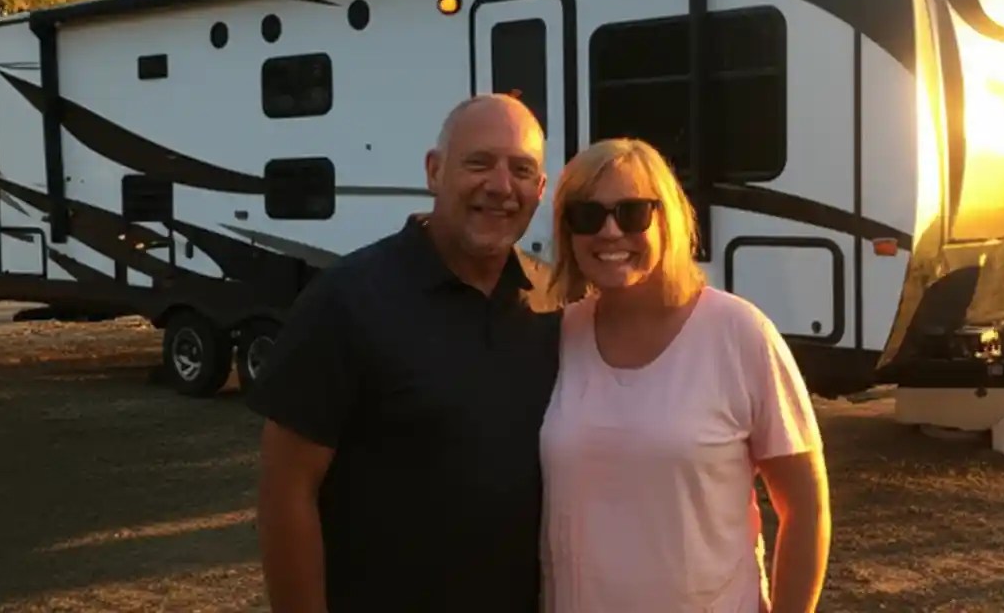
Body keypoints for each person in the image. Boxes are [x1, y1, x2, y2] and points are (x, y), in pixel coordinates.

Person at [248, 93, 561, 613]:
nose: (501, 187)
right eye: (478, 163)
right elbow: (286, 491)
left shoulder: (553, 301)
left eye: (522, 170)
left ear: (540, 189)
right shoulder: (347, 300)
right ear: (435, 172)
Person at [539, 137, 831, 613]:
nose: (610, 232)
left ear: (667, 220)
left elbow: (806, 508)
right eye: (587, 215)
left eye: (633, 212)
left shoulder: (738, 332)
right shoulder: (560, 336)